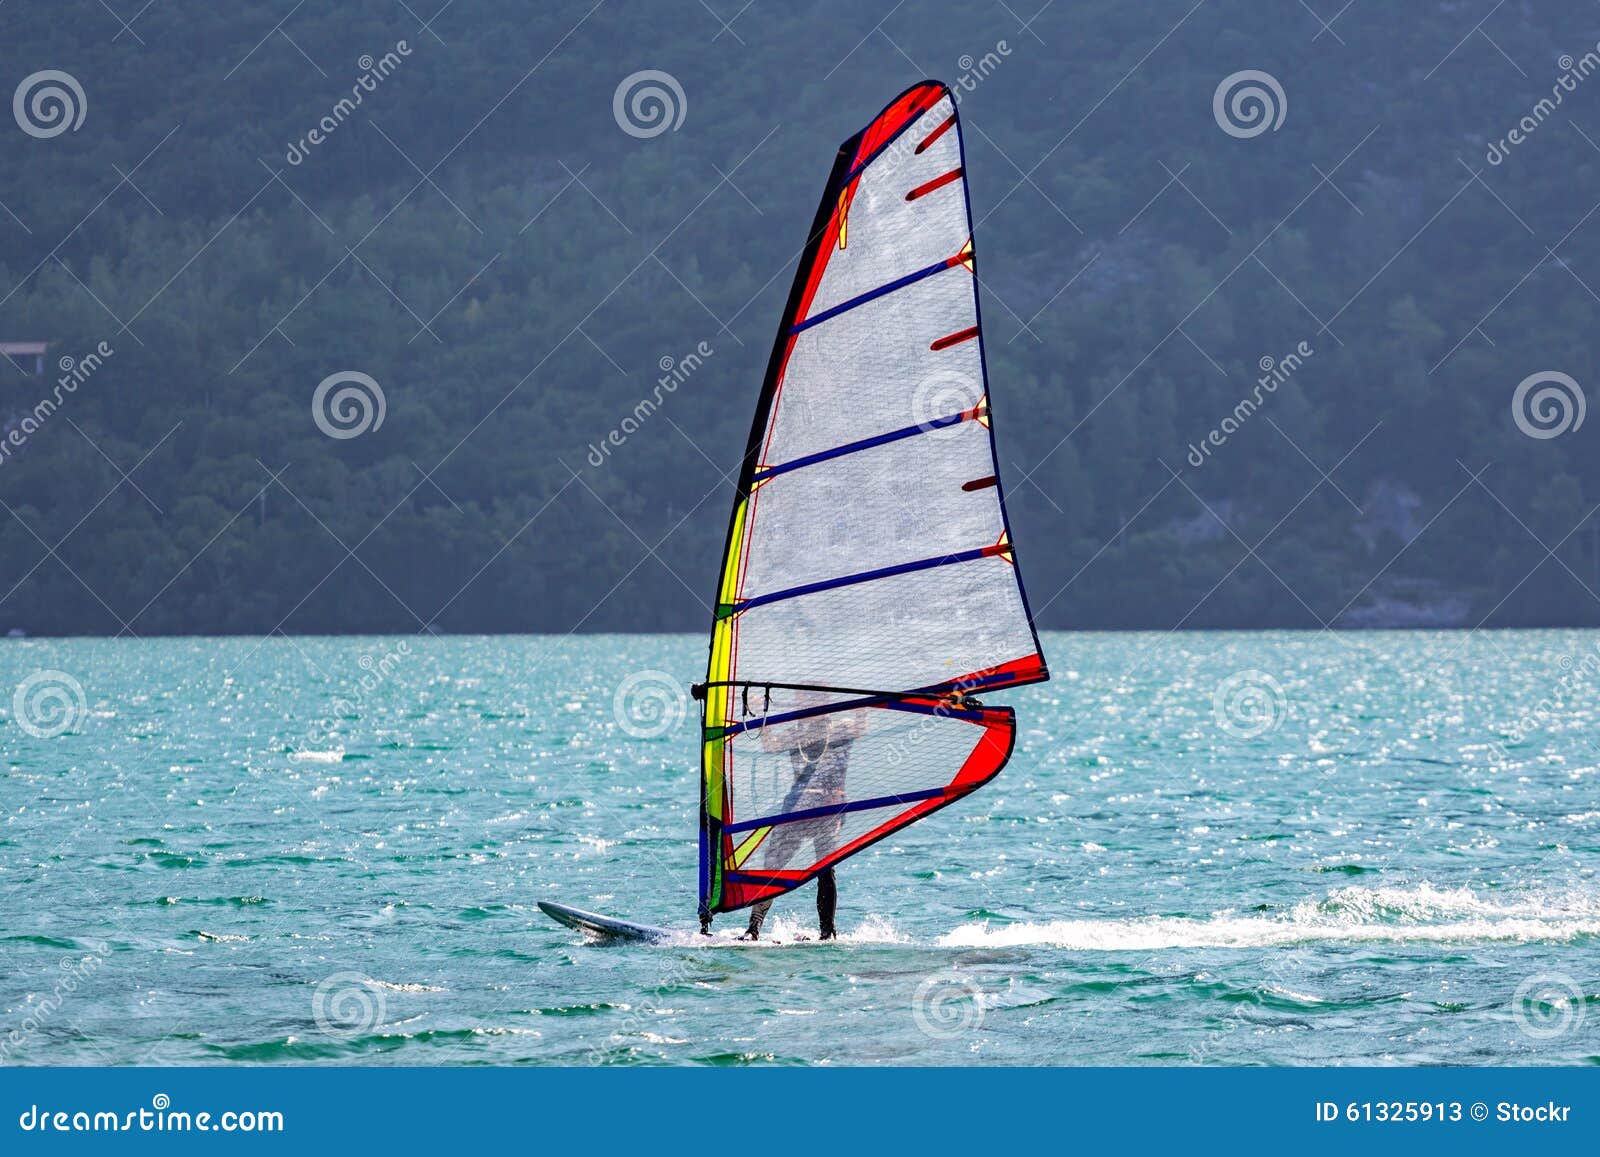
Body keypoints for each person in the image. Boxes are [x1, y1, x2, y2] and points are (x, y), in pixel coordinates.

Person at [739, 695, 867, 941]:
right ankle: (753, 930)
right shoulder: (796, 734)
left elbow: (860, 727)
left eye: (808, 702)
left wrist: (861, 704)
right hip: (797, 810)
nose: (803, 708)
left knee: (825, 869)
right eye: (801, 703)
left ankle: (827, 932)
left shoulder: (840, 728)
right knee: (772, 865)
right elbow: (770, 745)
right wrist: (759, 713)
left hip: (828, 810)